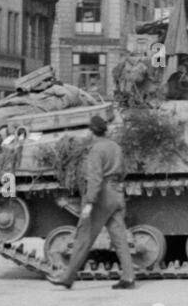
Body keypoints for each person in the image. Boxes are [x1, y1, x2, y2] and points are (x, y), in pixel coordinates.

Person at [51, 114, 136, 290]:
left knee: (84, 236)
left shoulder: (96, 150)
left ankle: (67, 277)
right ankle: (128, 277)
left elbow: (95, 178)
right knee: (120, 238)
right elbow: (124, 170)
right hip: (117, 192)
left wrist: (89, 203)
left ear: (92, 132)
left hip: (102, 196)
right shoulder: (115, 147)